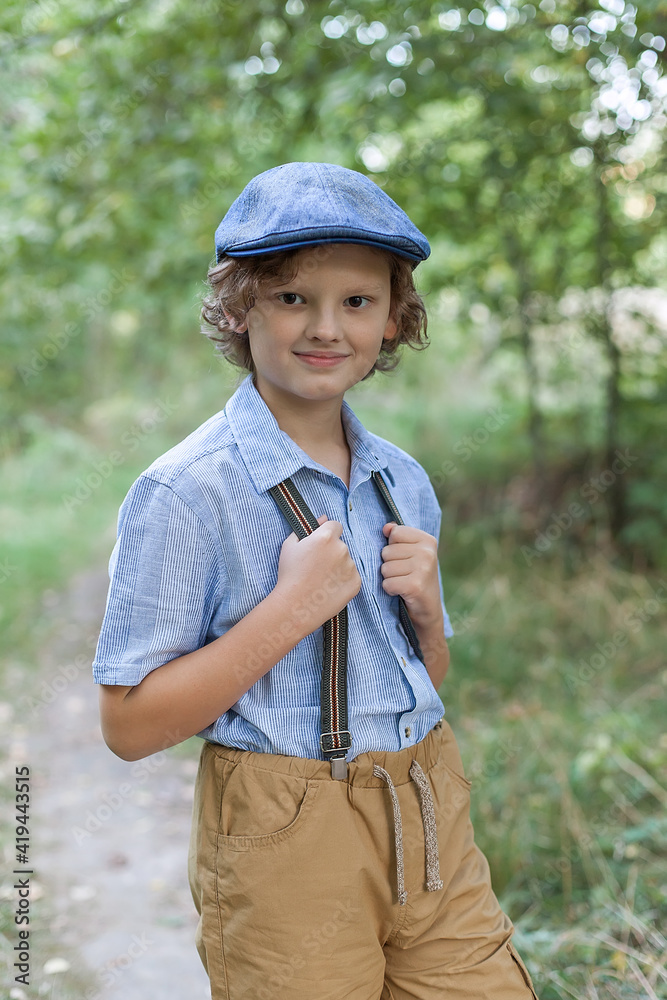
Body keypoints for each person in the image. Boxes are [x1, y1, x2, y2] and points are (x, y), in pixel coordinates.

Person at [93, 162, 539, 999]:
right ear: (238, 307)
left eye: (357, 302)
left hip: (427, 808)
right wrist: (286, 612)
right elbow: (127, 726)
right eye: (292, 298)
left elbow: (411, 681)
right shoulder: (187, 493)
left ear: (394, 320)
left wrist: (431, 618)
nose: (326, 327)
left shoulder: (398, 480)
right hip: (283, 843)